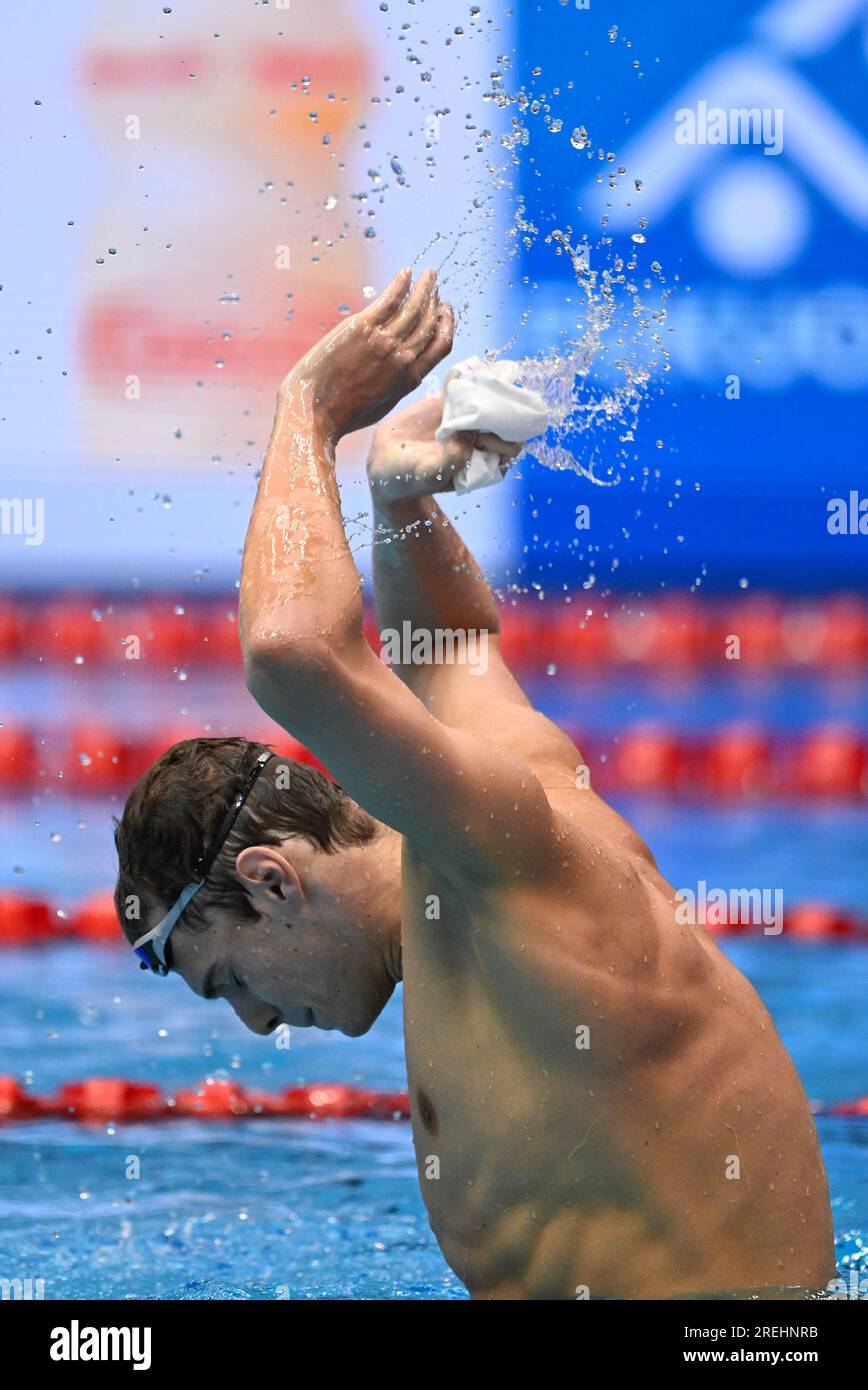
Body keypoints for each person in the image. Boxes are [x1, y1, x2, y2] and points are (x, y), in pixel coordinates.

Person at [114, 267, 836, 1299]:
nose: (259, 1026)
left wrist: (308, 411)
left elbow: (290, 651)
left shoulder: (506, 862)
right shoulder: (480, 841)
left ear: (273, 879)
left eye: (229, 979)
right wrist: (395, 496)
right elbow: (447, 638)